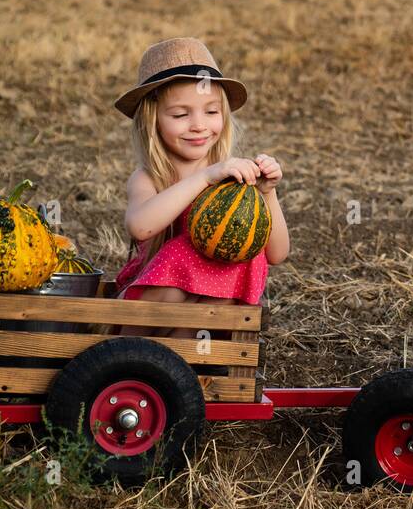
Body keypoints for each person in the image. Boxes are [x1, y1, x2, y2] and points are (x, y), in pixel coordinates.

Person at [110, 37, 289, 339]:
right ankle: (128, 357)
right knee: (187, 249)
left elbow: (277, 253)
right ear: (152, 121)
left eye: (211, 111)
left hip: (207, 322)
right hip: (152, 314)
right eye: (181, 114)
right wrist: (205, 178)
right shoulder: (149, 177)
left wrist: (268, 192)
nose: (198, 125)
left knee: (243, 254)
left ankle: (180, 367)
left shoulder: (235, 181)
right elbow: (140, 227)